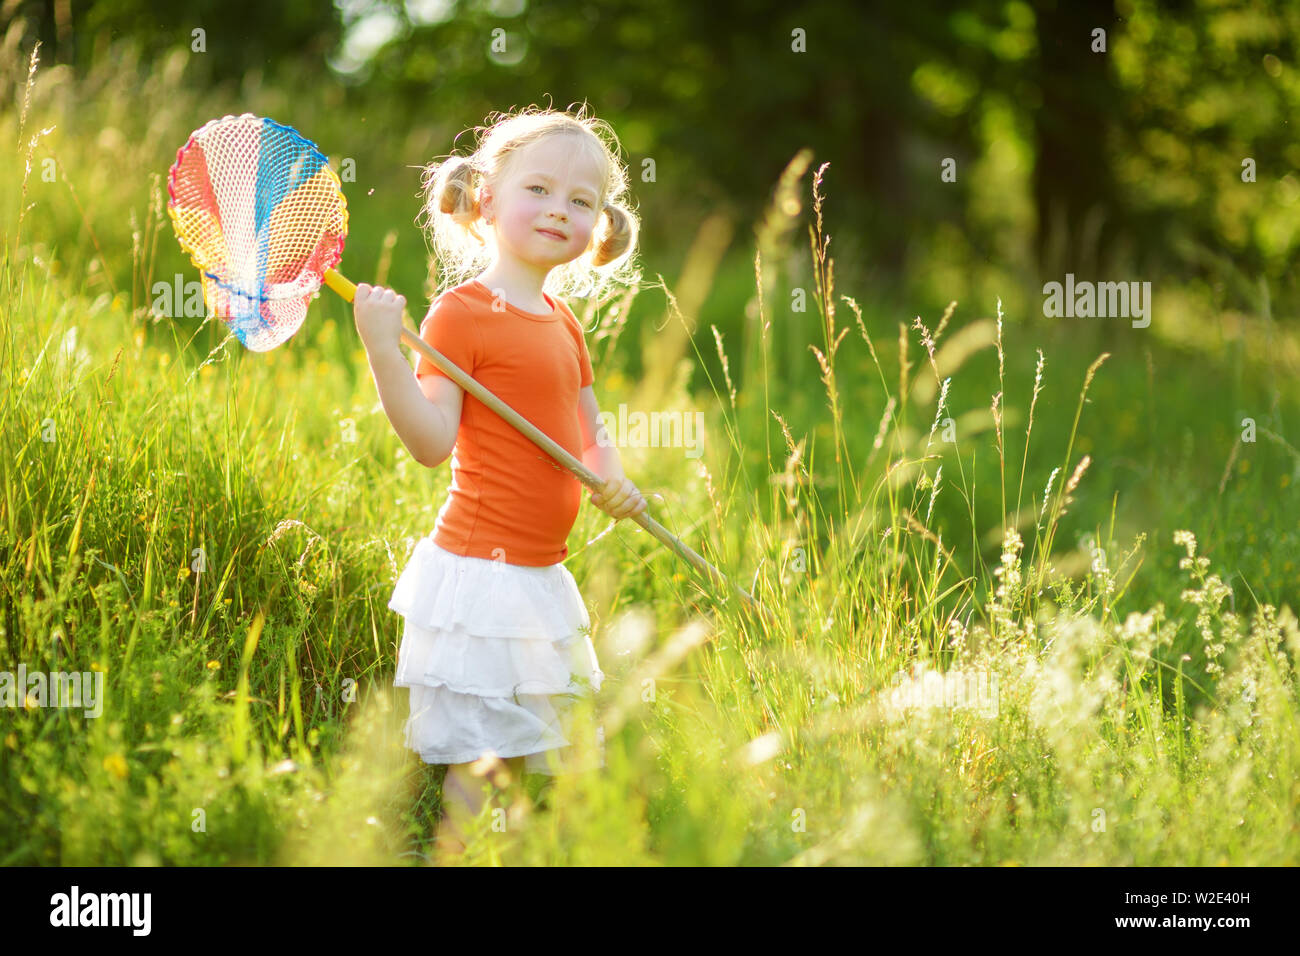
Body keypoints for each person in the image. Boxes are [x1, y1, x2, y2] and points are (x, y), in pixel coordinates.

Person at [352, 104, 655, 863]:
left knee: (555, 747)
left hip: (541, 577)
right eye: (540, 189)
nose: (560, 209)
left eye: (580, 201)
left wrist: (612, 482)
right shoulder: (459, 316)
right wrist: (384, 351)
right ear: (486, 198)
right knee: (481, 762)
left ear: (600, 224)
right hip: (481, 578)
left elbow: (590, 431)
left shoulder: (563, 323)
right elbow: (429, 443)